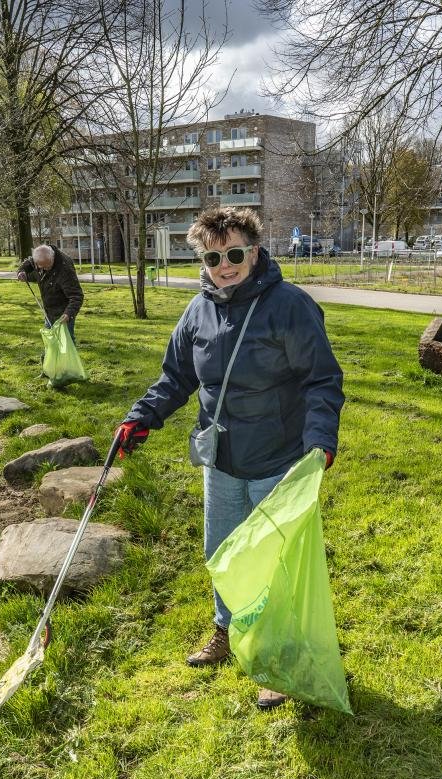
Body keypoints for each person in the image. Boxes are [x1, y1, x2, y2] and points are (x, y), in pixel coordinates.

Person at [117, 206, 344, 710]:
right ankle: (225, 628)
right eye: (214, 256)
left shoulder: (290, 306)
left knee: (273, 565)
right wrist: (141, 418)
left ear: (256, 252)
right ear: (203, 259)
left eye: (236, 253)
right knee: (221, 554)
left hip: (278, 459)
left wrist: (320, 441)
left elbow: (322, 380)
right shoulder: (198, 311)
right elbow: (176, 378)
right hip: (221, 459)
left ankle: (278, 656)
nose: (226, 264)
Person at [17, 244, 84, 343]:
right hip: (48, 311)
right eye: (41, 267)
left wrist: (68, 314)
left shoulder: (65, 269)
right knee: (50, 342)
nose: (44, 269)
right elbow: (29, 262)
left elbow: (76, 295)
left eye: (48, 266)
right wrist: (21, 271)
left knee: (66, 343)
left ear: (52, 257)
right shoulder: (40, 256)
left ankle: (67, 358)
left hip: (63, 312)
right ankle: (49, 357)